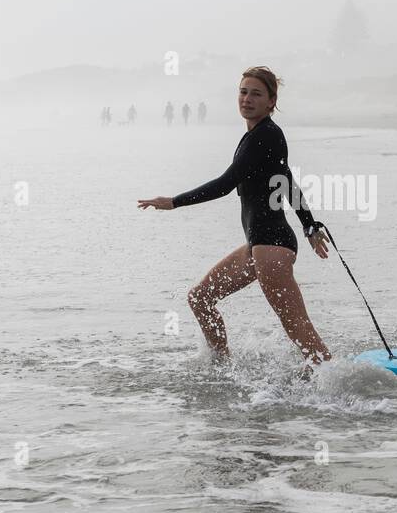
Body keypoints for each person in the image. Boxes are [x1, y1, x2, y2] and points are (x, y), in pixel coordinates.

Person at [138, 67, 331, 366]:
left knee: (300, 331)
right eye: (243, 92)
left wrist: (173, 202)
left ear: (271, 101)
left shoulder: (264, 135)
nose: (247, 99)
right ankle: (221, 367)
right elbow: (287, 181)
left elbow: (226, 183)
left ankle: (336, 384)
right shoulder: (261, 135)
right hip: (261, 246)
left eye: (256, 93)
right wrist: (310, 225)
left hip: (272, 248)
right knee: (200, 298)